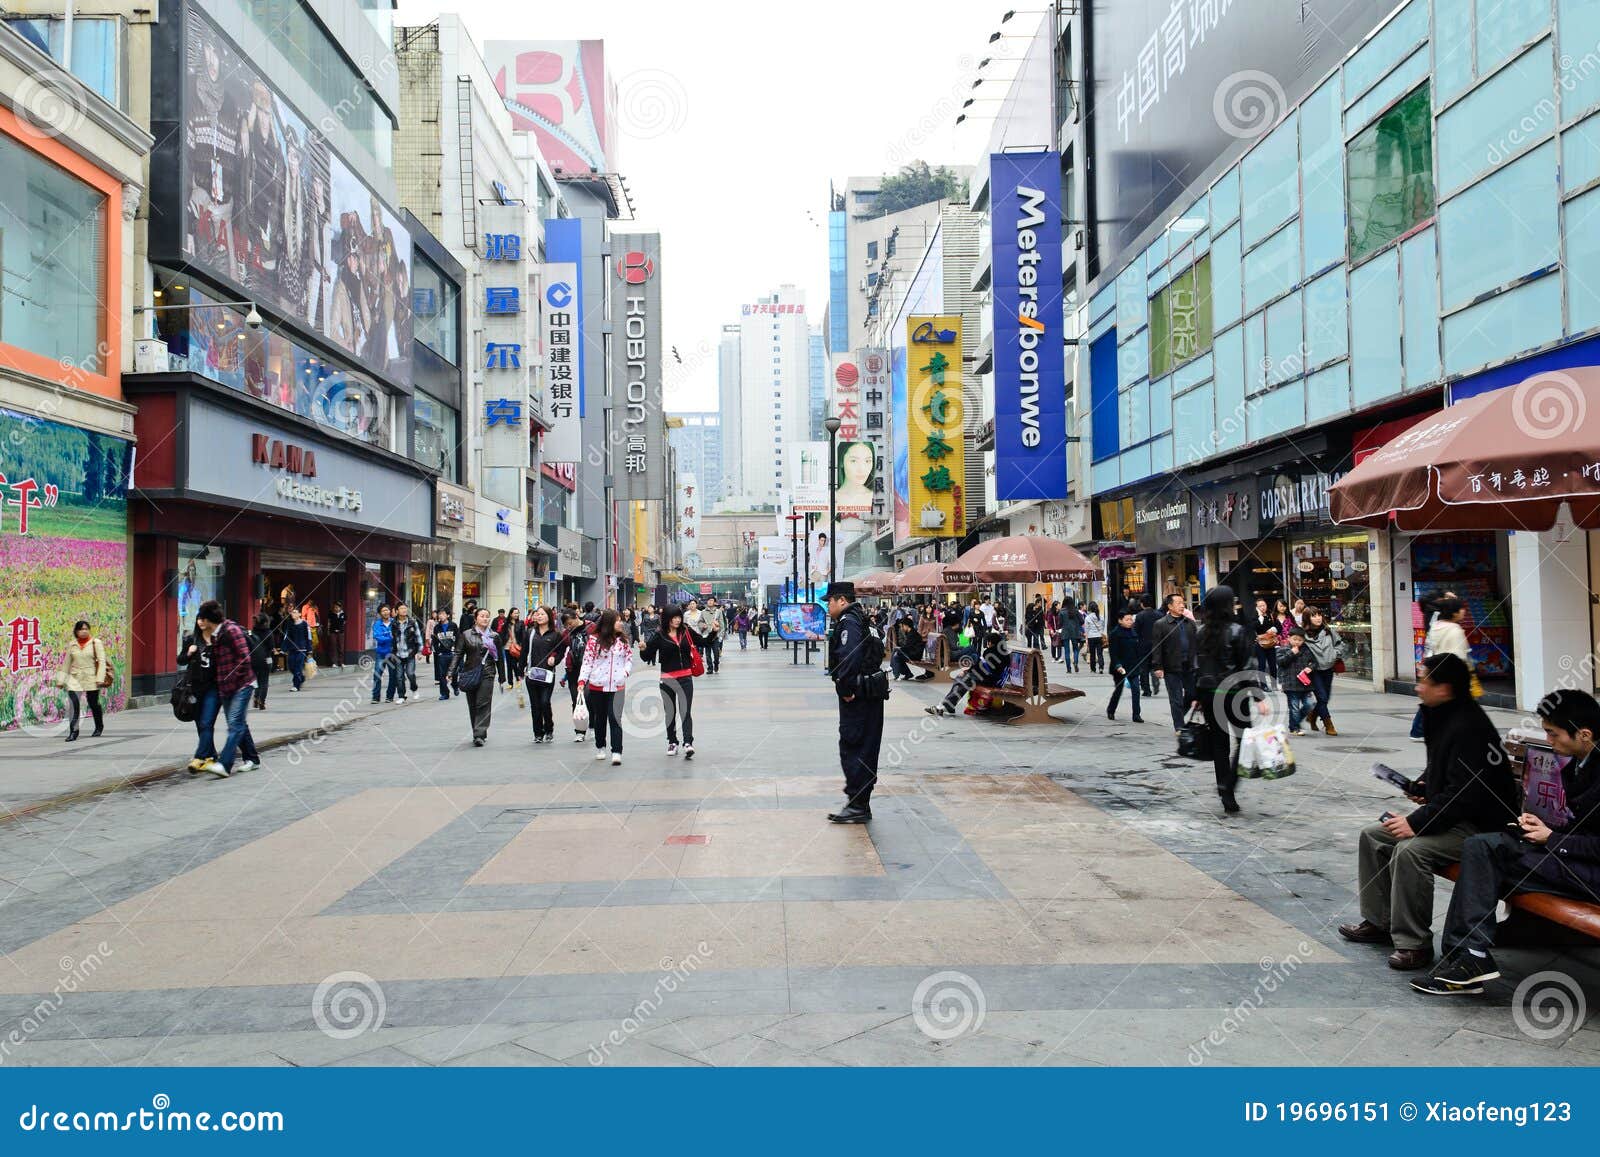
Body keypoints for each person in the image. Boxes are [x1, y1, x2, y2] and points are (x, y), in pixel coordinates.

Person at [1338, 653, 1518, 971]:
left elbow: (1467, 793)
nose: (1419, 687)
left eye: (1424, 681)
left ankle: (1414, 944)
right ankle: (1379, 922)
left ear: (1444, 688)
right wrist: (1423, 787)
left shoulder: (1469, 727)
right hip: (1451, 815)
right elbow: (1446, 773)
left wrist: (1418, 822)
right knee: (1373, 836)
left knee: (1410, 850)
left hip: (1479, 826)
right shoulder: (1442, 714)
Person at [1414, 689, 1600, 995]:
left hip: (1590, 873)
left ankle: (1467, 958)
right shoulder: (1581, 760)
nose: (1550, 742)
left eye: (1553, 735)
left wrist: (1552, 838)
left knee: (1485, 853)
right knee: (1483, 849)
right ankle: (1466, 957)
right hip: (1576, 859)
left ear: (1584, 734)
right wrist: (1543, 827)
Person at [1189, 585, 1262, 814]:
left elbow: (1194, 667)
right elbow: (1248, 666)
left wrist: (1194, 696)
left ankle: (1224, 789)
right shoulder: (1237, 631)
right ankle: (1230, 783)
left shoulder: (1200, 632)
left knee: (1219, 743)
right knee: (1244, 739)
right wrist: (1258, 696)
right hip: (1234, 695)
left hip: (1209, 694)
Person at [825, 581, 886, 824]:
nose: (828, 606)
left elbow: (848, 658)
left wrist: (846, 687)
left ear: (842, 600)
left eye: (829, 601)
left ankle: (858, 804)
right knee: (866, 746)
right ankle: (861, 803)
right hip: (870, 692)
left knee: (854, 745)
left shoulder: (849, 622)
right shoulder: (862, 619)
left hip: (859, 695)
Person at [195, 600, 260, 778]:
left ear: (208, 620)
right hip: (226, 687)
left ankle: (224, 764)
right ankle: (253, 759)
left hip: (243, 685)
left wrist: (232, 679)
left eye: (202, 618)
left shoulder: (231, 630)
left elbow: (245, 659)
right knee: (238, 724)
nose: (200, 622)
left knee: (235, 725)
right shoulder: (216, 634)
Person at [642, 605, 701, 758]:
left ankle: (688, 742)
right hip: (667, 679)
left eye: (679, 617)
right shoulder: (659, 635)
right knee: (670, 712)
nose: (677, 620)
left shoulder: (686, 631)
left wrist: (714, 632)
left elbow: (704, 642)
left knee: (685, 711)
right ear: (667, 619)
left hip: (686, 677)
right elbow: (647, 656)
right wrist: (643, 649)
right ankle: (672, 741)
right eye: (674, 617)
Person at [1411, 596, 1471, 742]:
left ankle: (1419, 730)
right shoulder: (1455, 630)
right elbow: (1459, 655)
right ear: (1454, 612)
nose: (1464, 612)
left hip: (1435, 668)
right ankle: (1419, 731)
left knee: (1432, 701)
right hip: (1449, 672)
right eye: (1461, 608)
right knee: (1451, 703)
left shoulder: (1436, 626)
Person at [578, 609, 633, 765]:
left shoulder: (623, 641)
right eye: (617, 620)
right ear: (609, 623)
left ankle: (616, 751)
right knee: (600, 718)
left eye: (620, 620)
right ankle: (600, 746)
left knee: (615, 719)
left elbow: (629, 659)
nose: (620, 623)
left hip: (618, 686)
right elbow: (587, 662)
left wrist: (625, 673)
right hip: (597, 686)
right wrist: (582, 681)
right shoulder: (594, 640)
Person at [926, 629, 1011, 717]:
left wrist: (969, 671)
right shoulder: (998, 652)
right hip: (988, 677)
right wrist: (968, 671)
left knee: (964, 681)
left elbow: (984, 669)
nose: (987, 644)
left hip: (991, 680)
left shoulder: (994, 653)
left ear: (991, 642)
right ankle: (948, 705)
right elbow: (982, 668)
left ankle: (944, 706)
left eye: (988, 642)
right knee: (961, 679)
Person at [1151, 594, 1198, 734]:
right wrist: (1157, 666)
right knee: (1176, 698)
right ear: (1170, 606)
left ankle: (1179, 716)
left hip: (1188, 666)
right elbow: (1156, 647)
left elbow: (1196, 644)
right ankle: (1179, 726)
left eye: (1183, 602)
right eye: (1178, 603)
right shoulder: (1161, 624)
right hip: (1171, 666)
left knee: (1192, 694)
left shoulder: (1190, 623)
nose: (1182, 605)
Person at [451, 607, 498, 746]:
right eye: (482, 616)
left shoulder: (494, 636)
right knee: (473, 704)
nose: (485, 618)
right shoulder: (466, 635)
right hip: (470, 673)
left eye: (487, 616)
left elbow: (499, 657)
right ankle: (476, 730)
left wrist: (502, 677)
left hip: (488, 673)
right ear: (476, 618)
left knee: (482, 703)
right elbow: (458, 654)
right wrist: (450, 671)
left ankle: (479, 734)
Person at [59, 621, 109, 741]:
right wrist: (61, 680)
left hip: (91, 678)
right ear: (76, 631)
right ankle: (73, 732)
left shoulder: (95, 643)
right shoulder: (72, 645)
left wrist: (100, 678)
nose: (84, 631)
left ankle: (99, 726)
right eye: (81, 629)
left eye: (86, 629)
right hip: (75, 678)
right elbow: (66, 663)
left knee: (93, 703)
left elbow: (102, 661)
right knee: (73, 705)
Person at [523, 606, 567, 743]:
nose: (539, 616)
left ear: (549, 616)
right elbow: (524, 652)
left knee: (545, 702)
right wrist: (520, 671)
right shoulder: (530, 633)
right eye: (537, 614)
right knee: (535, 705)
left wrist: (555, 659)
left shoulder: (556, 635)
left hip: (547, 674)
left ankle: (549, 729)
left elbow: (561, 652)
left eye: (542, 614)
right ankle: (538, 733)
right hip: (532, 674)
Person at [1301, 605, 1345, 735]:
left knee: (1325, 698)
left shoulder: (1328, 631)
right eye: (1314, 615)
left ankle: (1313, 715)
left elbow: (1340, 643)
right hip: (1314, 670)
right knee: (1322, 696)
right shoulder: (1303, 635)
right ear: (1307, 618)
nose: (1318, 618)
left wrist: (1335, 654)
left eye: (1319, 615)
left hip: (1328, 668)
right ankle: (1328, 725)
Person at [1105, 609, 1144, 723]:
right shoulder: (1115, 634)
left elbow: (1138, 650)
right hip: (1120, 667)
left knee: (1136, 689)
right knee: (1119, 690)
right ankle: (1111, 710)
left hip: (1133, 665)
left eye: (1131, 619)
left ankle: (1136, 714)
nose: (1130, 621)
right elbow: (1113, 652)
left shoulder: (1134, 632)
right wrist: (1118, 666)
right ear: (1120, 620)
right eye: (1127, 619)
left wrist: (1140, 663)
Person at [1277, 628, 1316, 735]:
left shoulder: (1306, 649)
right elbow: (1281, 662)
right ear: (1289, 638)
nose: (1297, 642)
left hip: (1305, 684)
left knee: (1310, 704)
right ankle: (1294, 728)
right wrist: (1291, 653)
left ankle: (1294, 723)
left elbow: (1313, 662)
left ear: (1303, 640)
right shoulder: (1283, 649)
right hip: (1290, 684)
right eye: (1294, 639)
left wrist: (1310, 667)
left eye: (1300, 640)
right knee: (1294, 707)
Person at [561, 609, 590, 743]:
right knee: (576, 700)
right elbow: (560, 650)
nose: (568, 626)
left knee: (590, 699)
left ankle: (594, 727)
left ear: (576, 617)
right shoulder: (566, 634)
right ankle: (579, 731)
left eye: (570, 623)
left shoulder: (591, 627)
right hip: (573, 670)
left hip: (591, 670)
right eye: (566, 625)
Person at [1133, 597, 1163, 696]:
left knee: (1144, 667)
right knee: (1155, 665)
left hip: (1143, 645)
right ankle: (1156, 682)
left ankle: (1146, 690)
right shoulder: (1159, 615)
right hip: (1157, 644)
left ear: (1142, 604)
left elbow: (1135, 631)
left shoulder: (1139, 616)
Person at [392, 604, 422, 702]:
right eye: (401, 608)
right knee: (399, 677)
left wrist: (419, 651)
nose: (404, 610)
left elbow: (418, 636)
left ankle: (414, 689)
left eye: (405, 608)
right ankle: (401, 696)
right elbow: (391, 638)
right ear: (397, 611)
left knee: (410, 674)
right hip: (398, 654)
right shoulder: (394, 623)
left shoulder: (412, 622)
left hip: (410, 653)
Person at [248, 613, 275, 711]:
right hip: (266, 659)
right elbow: (271, 647)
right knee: (264, 681)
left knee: (257, 680)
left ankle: (255, 697)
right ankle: (262, 701)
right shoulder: (269, 632)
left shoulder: (252, 633)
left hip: (254, 660)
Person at [370, 604, 396, 703]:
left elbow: (398, 636)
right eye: (383, 611)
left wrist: (388, 638)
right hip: (381, 653)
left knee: (393, 676)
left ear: (390, 611)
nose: (385, 612)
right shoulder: (377, 624)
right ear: (380, 613)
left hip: (393, 654)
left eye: (387, 610)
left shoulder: (394, 622)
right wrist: (390, 638)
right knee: (377, 675)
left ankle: (390, 697)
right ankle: (375, 697)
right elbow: (378, 637)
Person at [1249, 596, 1279, 679]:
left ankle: (1274, 683)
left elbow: (1279, 627)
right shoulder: (1255, 617)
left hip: (1271, 642)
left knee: (1273, 664)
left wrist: (1274, 629)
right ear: (1256, 608)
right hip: (1260, 644)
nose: (1262, 607)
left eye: (1264, 605)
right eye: (1260, 606)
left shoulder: (1271, 615)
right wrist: (1260, 617)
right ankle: (1263, 685)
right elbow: (1254, 627)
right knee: (1262, 665)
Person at [282, 606, 312, 692]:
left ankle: (296, 685)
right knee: (291, 667)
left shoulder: (304, 624)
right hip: (292, 650)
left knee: (298, 667)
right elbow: (286, 637)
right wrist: (284, 648)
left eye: (295, 612)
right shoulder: (290, 624)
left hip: (302, 650)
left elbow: (308, 637)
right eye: (292, 612)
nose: (293, 614)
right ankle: (301, 678)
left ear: (299, 614)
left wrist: (309, 649)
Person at [430, 609, 457, 701]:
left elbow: (458, 638)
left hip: (453, 653)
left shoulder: (453, 625)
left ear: (448, 616)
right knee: (442, 675)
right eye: (439, 614)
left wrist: (457, 650)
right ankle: (444, 693)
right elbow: (434, 641)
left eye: (443, 614)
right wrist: (437, 651)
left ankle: (455, 685)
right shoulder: (437, 627)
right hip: (442, 654)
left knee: (454, 673)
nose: (440, 616)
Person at [1061, 600, 1084, 673]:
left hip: (1065, 632)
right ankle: (1076, 662)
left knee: (1067, 651)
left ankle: (1068, 669)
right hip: (1074, 632)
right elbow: (1082, 621)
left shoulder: (1062, 612)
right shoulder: (1076, 611)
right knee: (1075, 649)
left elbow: (1059, 623)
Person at [1082, 602, 1105, 673]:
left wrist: (1086, 639)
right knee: (1100, 653)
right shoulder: (1101, 617)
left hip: (1091, 637)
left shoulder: (1087, 618)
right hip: (1099, 637)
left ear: (1090, 609)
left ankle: (1093, 668)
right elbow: (1103, 626)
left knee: (1092, 653)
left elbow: (1086, 629)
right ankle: (1101, 667)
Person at [326, 601, 347, 669]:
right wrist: (328, 631)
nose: (336, 608)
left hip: (341, 632)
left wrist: (340, 628)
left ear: (340, 607)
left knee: (341, 647)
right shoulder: (331, 613)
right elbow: (329, 623)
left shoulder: (343, 614)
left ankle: (341, 662)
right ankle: (333, 663)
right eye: (335, 607)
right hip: (332, 632)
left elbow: (344, 622)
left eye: (337, 607)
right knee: (333, 646)